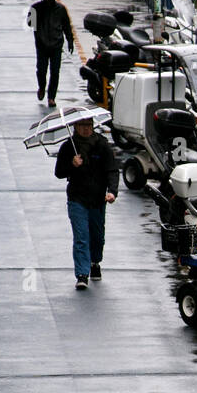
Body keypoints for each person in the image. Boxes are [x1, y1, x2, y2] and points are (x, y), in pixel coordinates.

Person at [54, 117, 119, 290]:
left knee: (97, 236)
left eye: (88, 125)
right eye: (82, 126)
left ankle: (94, 261)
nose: (85, 129)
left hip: (97, 200)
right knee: (81, 237)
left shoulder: (102, 145)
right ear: (75, 127)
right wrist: (72, 165)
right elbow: (59, 172)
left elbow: (112, 170)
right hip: (77, 198)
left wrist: (112, 191)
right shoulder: (69, 147)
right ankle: (82, 274)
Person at [28, 0, 73, 107]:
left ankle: (51, 97)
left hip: (56, 45)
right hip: (41, 45)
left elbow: (66, 26)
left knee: (55, 72)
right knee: (41, 70)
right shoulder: (36, 8)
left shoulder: (61, 9)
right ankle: (42, 87)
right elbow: (30, 23)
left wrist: (70, 40)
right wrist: (36, 15)